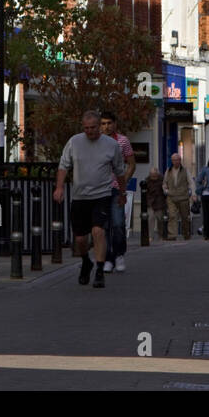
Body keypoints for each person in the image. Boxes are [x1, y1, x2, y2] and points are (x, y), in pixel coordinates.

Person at [55, 110, 125, 288]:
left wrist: (122, 193)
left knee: (98, 231)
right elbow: (64, 165)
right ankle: (86, 261)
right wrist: (59, 187)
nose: (90, 131)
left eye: (93, 127)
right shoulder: (74, 142)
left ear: (99, 126)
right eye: (86, 128)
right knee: (80, 239)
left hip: (101, 195)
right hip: (79, 196)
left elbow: (120, 171)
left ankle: (100, 271)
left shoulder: (111, 145)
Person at [100, 111, 136, 273]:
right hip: (99, 189)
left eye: (109, 123)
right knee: (104, 226)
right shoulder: (96, 142)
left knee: (118, 223)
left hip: (116, 189)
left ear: (114, 124)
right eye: (103, 123)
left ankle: (119, 254)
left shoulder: (123, 141)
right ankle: (108, 258)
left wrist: (123, 181)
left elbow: (131, 164)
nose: (106, 126)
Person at [163, 153, 192, 240]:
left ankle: (186, 233)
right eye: (174, 160)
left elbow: (190, 182)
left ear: (180, 161)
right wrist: (166, 190)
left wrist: (192, 193)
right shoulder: (168, 171)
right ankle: (172, 235)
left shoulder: (185, 170)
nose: (175, 162)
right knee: (172, 216)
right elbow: (164, 182)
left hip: (183, 197)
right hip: (171, 197)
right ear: (172, 161)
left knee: (185, 217)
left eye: (177, 160)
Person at [145, 166, 166, 238]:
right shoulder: (146, 181)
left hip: (160, 203)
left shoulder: (162, 180)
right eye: (152, 176)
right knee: (150, 219)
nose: (153, 177)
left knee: (160, 220)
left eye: (155, 176)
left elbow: (164, 191)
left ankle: (161, 235)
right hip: (150, 203)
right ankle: (150, 236)